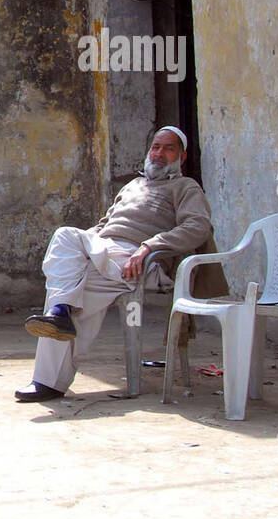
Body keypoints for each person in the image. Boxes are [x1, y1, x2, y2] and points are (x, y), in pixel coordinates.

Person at [15, 127, 212, 403]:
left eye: (168, 148)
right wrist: (87, 244)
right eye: (155, 147)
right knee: (68, 246)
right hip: (105, 251)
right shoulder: (133, 186)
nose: (159, 154)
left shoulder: (185, 187)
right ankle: (59, 319)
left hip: (140, 261)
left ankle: (49, 377)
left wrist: (149, 247)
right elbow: (105, 225)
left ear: (182, 156)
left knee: (72, 282)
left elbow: (198, 227)